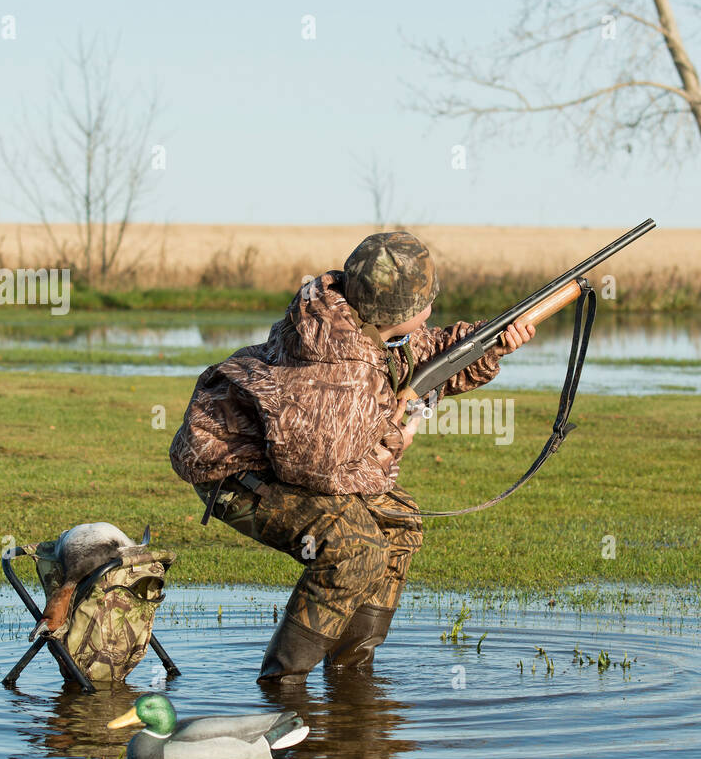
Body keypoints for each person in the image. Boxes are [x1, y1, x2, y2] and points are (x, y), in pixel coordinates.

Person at [169, 230, 535, 683]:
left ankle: (350, 674)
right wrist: (396, 439)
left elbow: (428, 357)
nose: (432, 307)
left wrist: (493, 343)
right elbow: (314, 470)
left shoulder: (367, 327)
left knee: (398, 522)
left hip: (291, 455)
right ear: (403, 310)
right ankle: (281, 684)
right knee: (353, 548)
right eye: (427, 298)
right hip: (232, 468)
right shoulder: (340, 368)